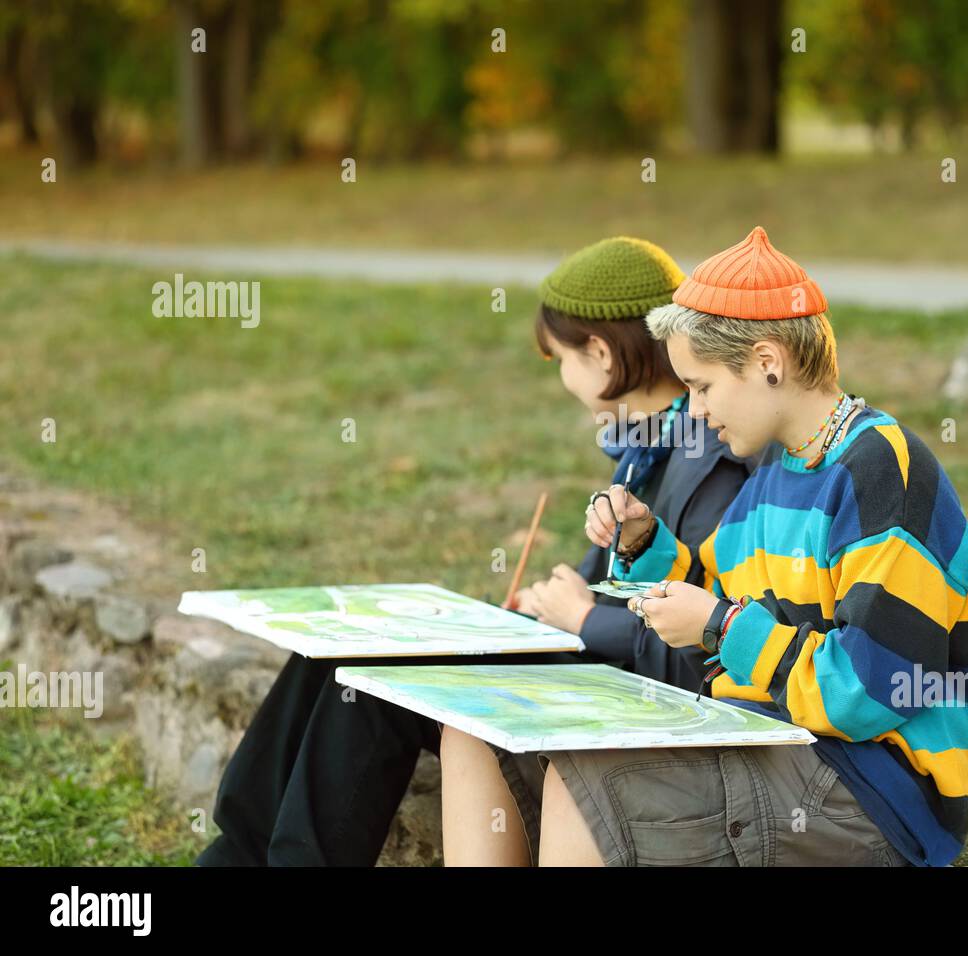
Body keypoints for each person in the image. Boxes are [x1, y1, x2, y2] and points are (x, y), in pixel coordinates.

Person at [440, 227, 968, 867]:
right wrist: (647, 546)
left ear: (766, 363)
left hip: (868, 786)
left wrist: (723, 630)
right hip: (767, 736)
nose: (693, 413)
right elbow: (722, 594)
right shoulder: (775, 470)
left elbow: (872, 690)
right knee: (475, 735)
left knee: (583, 782)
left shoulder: (880, 474)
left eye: (700, 387)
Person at [195, 236, 750, 866]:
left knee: (384, 675)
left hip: (636, 700)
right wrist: (534, 616)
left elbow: (700, 643)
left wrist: (581, 618)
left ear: (598, 352)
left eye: (557, 358)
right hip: (591, 659)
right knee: (359, 644)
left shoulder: (714, 460)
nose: (561, 376)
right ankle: (237, 851)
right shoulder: (648, 446)